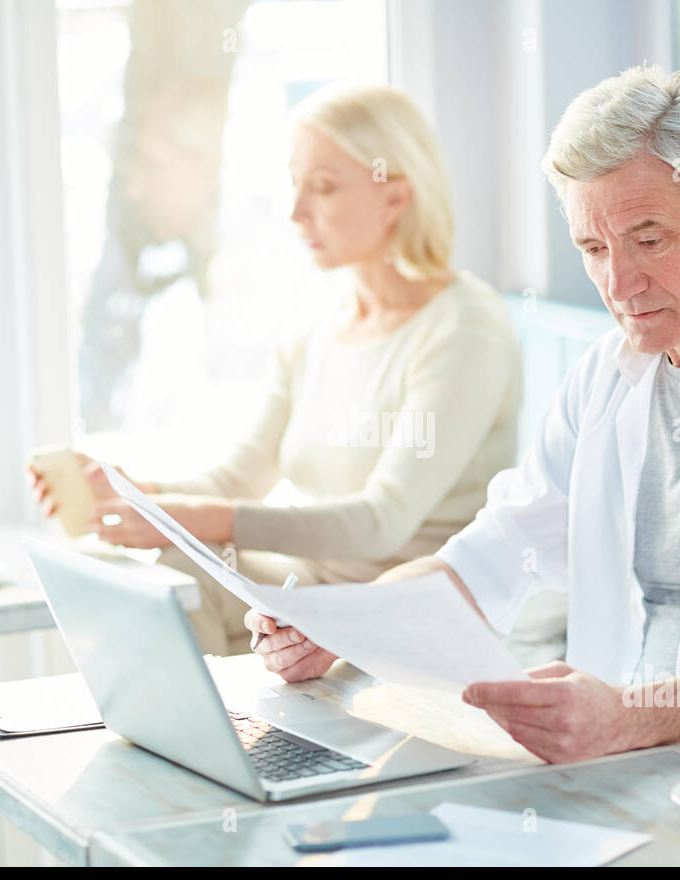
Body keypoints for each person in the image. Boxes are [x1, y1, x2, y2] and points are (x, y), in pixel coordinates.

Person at [246, 65, 680, 821]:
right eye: (593, 246)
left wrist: (629, 716)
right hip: (619, 780)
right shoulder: (608, 378)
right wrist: (341, 624)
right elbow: (484, 561)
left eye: (649, 239)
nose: (619, 282)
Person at [32, 84, 522, 657]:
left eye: (323, 187)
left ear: (395, 198)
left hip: (409, 618)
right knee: (169, 577)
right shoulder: (316, 326)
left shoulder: (465, 328)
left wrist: (191, 518)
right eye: (295, 183)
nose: (296, 212)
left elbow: (380, 524)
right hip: (315, 595)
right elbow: (238, 481)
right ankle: (196, 742)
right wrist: (134, 492)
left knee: (187, 563)